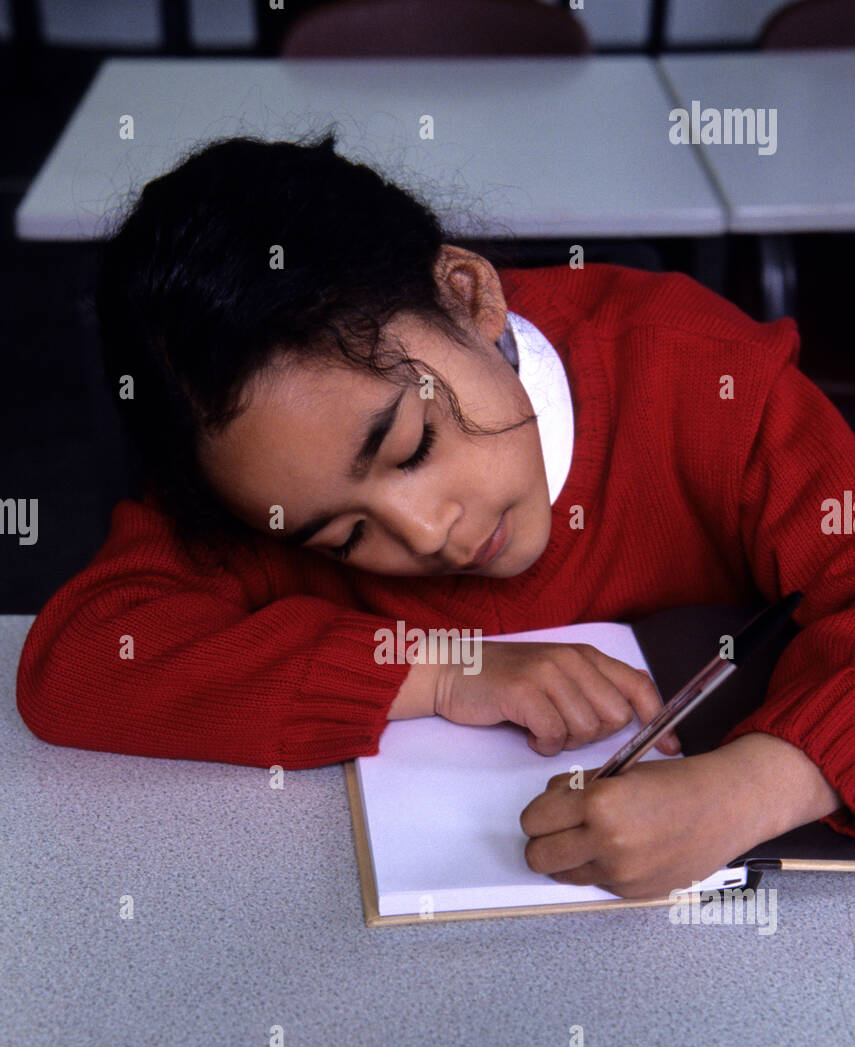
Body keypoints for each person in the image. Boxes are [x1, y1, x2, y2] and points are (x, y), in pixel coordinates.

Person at [16, 134, 855, 898]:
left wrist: (754, 787)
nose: (422, 534)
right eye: (343, 536)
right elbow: (83, 657)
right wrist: (442, 671)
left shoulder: (701, 375)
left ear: (466, 292)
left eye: (411, 445)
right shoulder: (259, 476)